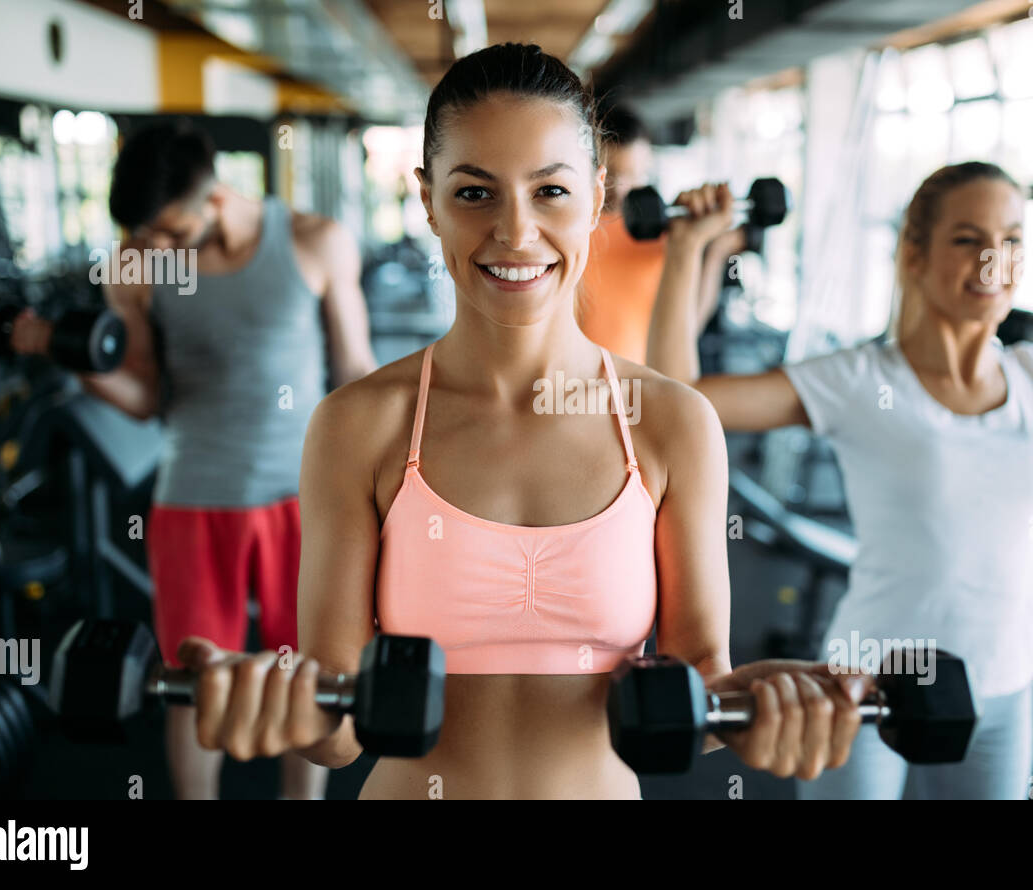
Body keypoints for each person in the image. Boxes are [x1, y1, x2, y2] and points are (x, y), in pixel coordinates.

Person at [174, 43, 875, 799]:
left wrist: (762, 706)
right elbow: (341, 736)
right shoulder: (358, 425)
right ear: (428, 200)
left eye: (550, 192)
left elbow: (694, 694)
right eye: (475, 193)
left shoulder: (673, 424)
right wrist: (279, 704)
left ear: (598, 196)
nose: (515, 232)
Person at [647, 163, 1033, 799]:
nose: (993, 260)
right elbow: (683, 399)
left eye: (1009, 241)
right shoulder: (861, 380)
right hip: (863, 682)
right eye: (967, 239)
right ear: (916, 256)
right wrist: (686, 250)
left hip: (1002, 685)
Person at [54, 120, 377, 799]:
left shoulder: (313, 241)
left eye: (169, 232)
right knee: (191, 680)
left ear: (216, 197)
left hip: (305, 498)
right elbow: (142, 397)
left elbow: (354, 371)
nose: (154, 249)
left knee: (311, 679)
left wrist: (387, 474)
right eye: (144, 237)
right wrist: (76, 361)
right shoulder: (137, 264)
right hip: (192, 498)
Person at [577, 103, 744, 364]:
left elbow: (688, 328)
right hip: (575, 390)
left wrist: (715, 254)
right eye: (613, 176)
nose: (621, 189)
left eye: (632, 176)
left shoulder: (668, 237)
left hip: (644, 388)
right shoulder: (572, 232)